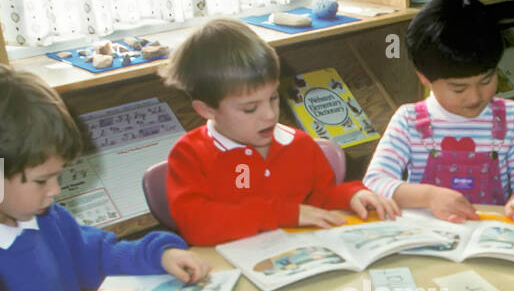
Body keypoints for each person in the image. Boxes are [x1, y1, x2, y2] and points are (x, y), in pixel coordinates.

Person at [0, 65, 209, 291]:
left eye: (59, 175)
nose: (56, 190)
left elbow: (102, 256)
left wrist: (159, 254)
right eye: (42, 181)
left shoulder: (45, 217)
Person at [162, 18, 397, 245]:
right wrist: (284, 214)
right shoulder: (189, 155)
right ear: (206, 109)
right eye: (250, 108)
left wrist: (351, 195)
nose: (270, 115)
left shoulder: (300, 145)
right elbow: (197, 227)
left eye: (273, 98)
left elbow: (321, 198)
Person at [363, 0, 514, 228]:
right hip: (426, 234)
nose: (475, 97)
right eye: (458, 88)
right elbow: (373, 182)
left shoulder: (509, 118)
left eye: (487, 80)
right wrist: (428, 196)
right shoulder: (409, 121)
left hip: (491, 235)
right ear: (424, 78)